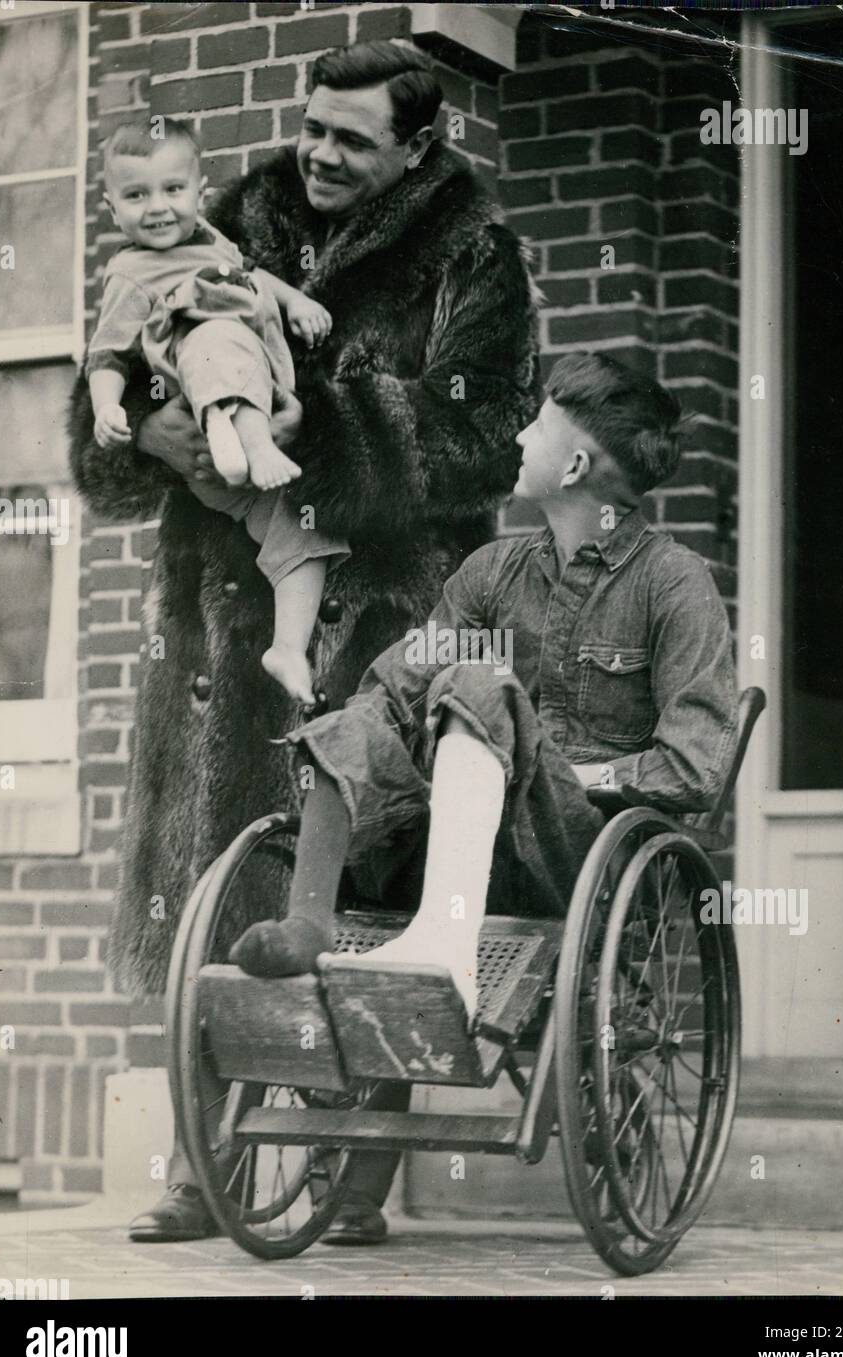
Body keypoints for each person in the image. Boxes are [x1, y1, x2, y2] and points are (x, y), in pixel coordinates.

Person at [67, 39, 539, 1245]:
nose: (317, 153)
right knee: (224, 873)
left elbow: (483, 436)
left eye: (350, 138)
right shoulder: (232, 214)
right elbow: (122, 379)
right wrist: (141, 436)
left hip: (385, 609)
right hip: (229, 614)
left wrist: (322, 424)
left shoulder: (474, 252)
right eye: (311, 125)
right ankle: (208, 1157)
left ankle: (353, 1166)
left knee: (363, 884)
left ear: (419, 143)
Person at [231, 352, 739, 1038]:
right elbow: (395, 687)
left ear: (575, 469)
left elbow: (695, 768)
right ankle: (309, 922)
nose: (519, 436)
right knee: (369, 710)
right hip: (464, 846)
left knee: (477, 682)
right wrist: (364, 741)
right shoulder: (491, 573)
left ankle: (444, 949)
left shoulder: (674, 585)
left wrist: (542, 770)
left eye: (536, 424)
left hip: (578, 862)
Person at [89, 116, 345, 704]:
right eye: (136, 195)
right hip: (204, 412)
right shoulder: (131, 273)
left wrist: (296, 298)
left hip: (254, 420)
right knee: (214, 338)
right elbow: (105, 354)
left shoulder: (211, 242)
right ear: (112, 208)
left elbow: (253, 276)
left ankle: (287, 645)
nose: (157, 207)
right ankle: (241, 437)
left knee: (303, 531)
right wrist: (109, 409)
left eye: (172, 190)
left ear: (199, 194)